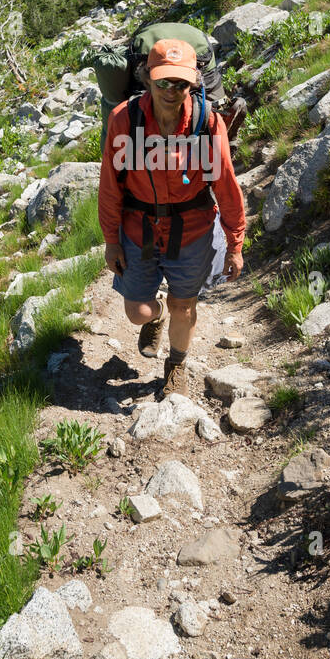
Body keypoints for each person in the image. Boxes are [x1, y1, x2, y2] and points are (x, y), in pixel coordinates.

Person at [98, 38, 246, 397]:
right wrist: (112, 240)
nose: (170, 90)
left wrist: (235, 243)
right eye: (162, 81)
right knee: (137, 312)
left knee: (186, 305)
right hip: (138, 230)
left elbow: (225, 185)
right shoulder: (124, 120)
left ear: (193, 82)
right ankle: (156, 313)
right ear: (147, 78)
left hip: (192, 230)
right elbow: (110, 186)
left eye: (179, 83)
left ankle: (176, 365)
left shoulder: (207, 123)